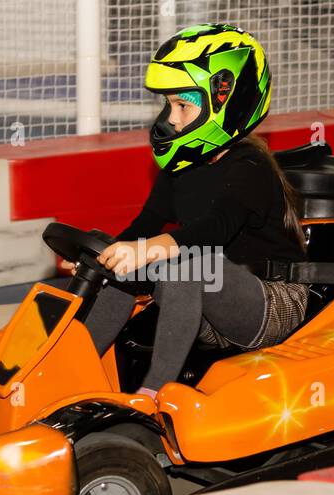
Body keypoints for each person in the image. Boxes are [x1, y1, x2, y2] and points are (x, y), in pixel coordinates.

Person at [63, 23, 310, 399]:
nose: (171, 118)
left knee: (186, 263)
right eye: (169, 105)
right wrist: (100, 256)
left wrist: (149, 248)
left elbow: (215, 229)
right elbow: (143, 226)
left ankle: (153, 394)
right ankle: (69, 372)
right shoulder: (181, 166)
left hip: (271, 304)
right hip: (207, 305)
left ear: (226, 103)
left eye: (183, 105)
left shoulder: (250, 167)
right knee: (121, 271)